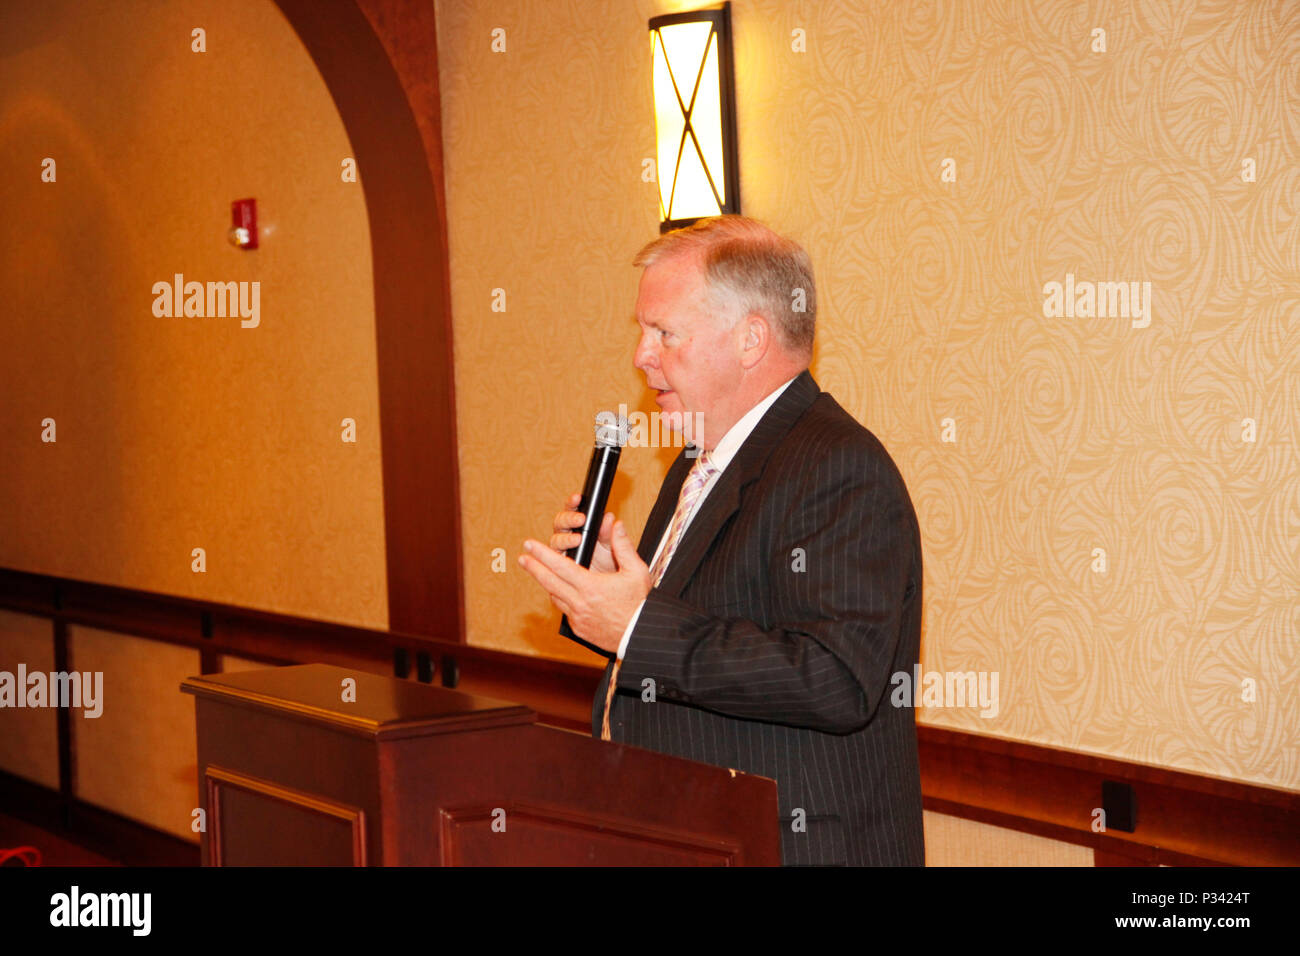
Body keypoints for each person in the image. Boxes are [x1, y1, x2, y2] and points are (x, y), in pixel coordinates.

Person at [518, 215, 924, 865]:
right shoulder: (697, 460)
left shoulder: (839, 465)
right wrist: (608, 589)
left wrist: (636, 624)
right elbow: (694, 628)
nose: (641, 355)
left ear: (750, 339)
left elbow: (835, 677)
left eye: (664, 332)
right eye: (641, 331)